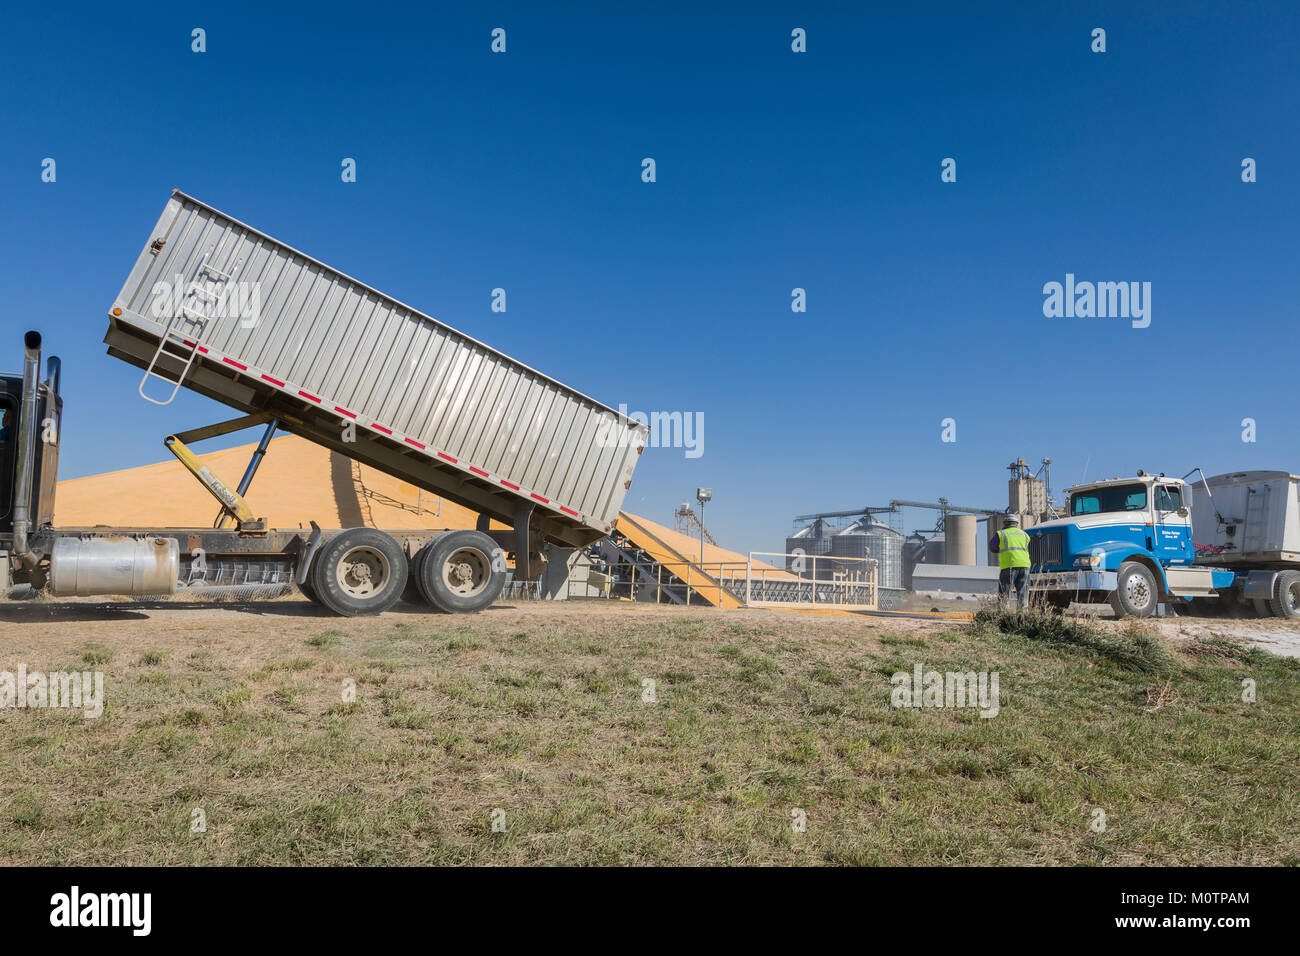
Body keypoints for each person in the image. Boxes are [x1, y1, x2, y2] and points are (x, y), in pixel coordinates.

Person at [990, 513, 1031, 607]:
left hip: (1009, 565)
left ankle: (1003, 614)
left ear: (1005, 523)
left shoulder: (1001, 534)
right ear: (1016, 523)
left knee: (1005, 592)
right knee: (1023, 592)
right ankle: (1022, 615)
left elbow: (992, 547)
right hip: (1025, 565)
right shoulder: (1025, 534)